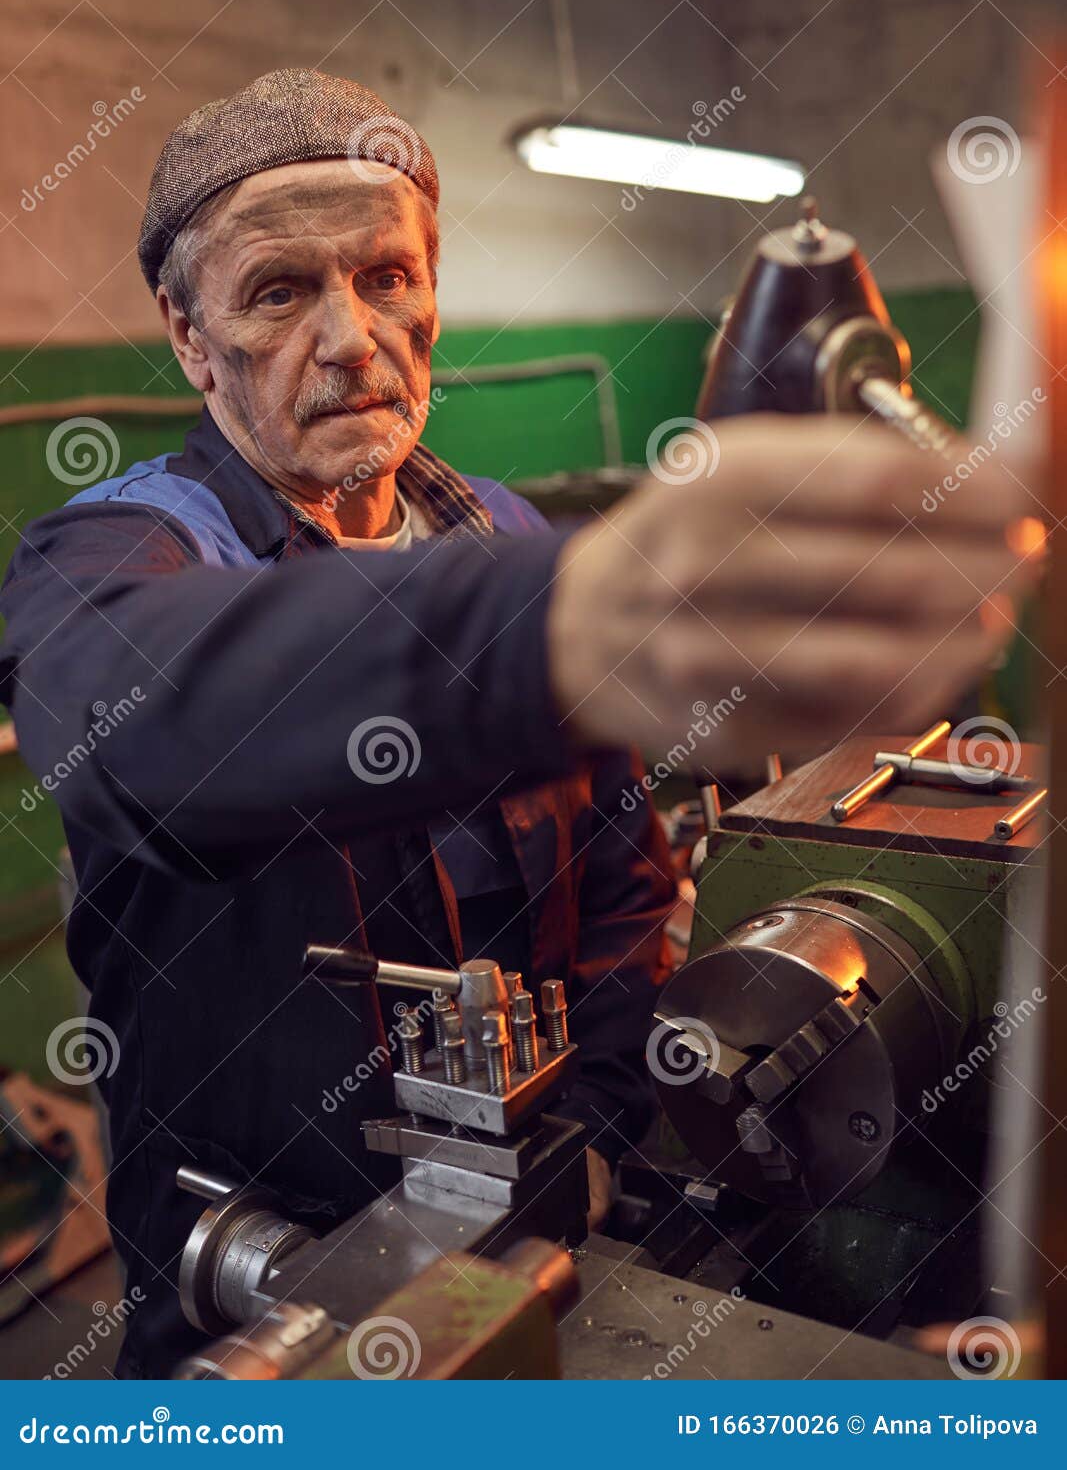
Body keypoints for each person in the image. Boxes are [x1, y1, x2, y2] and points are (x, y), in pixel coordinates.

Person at [0, 69, 1036, 1377]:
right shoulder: (116, 547)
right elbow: (125, 709)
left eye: (385, 277)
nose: (350, 337)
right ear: (190, 333)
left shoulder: (501, 531)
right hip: (254, 1294)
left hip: (537, 1245)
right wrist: (567, 620)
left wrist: (604, 1133)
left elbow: (617, 881)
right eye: (279, 291)